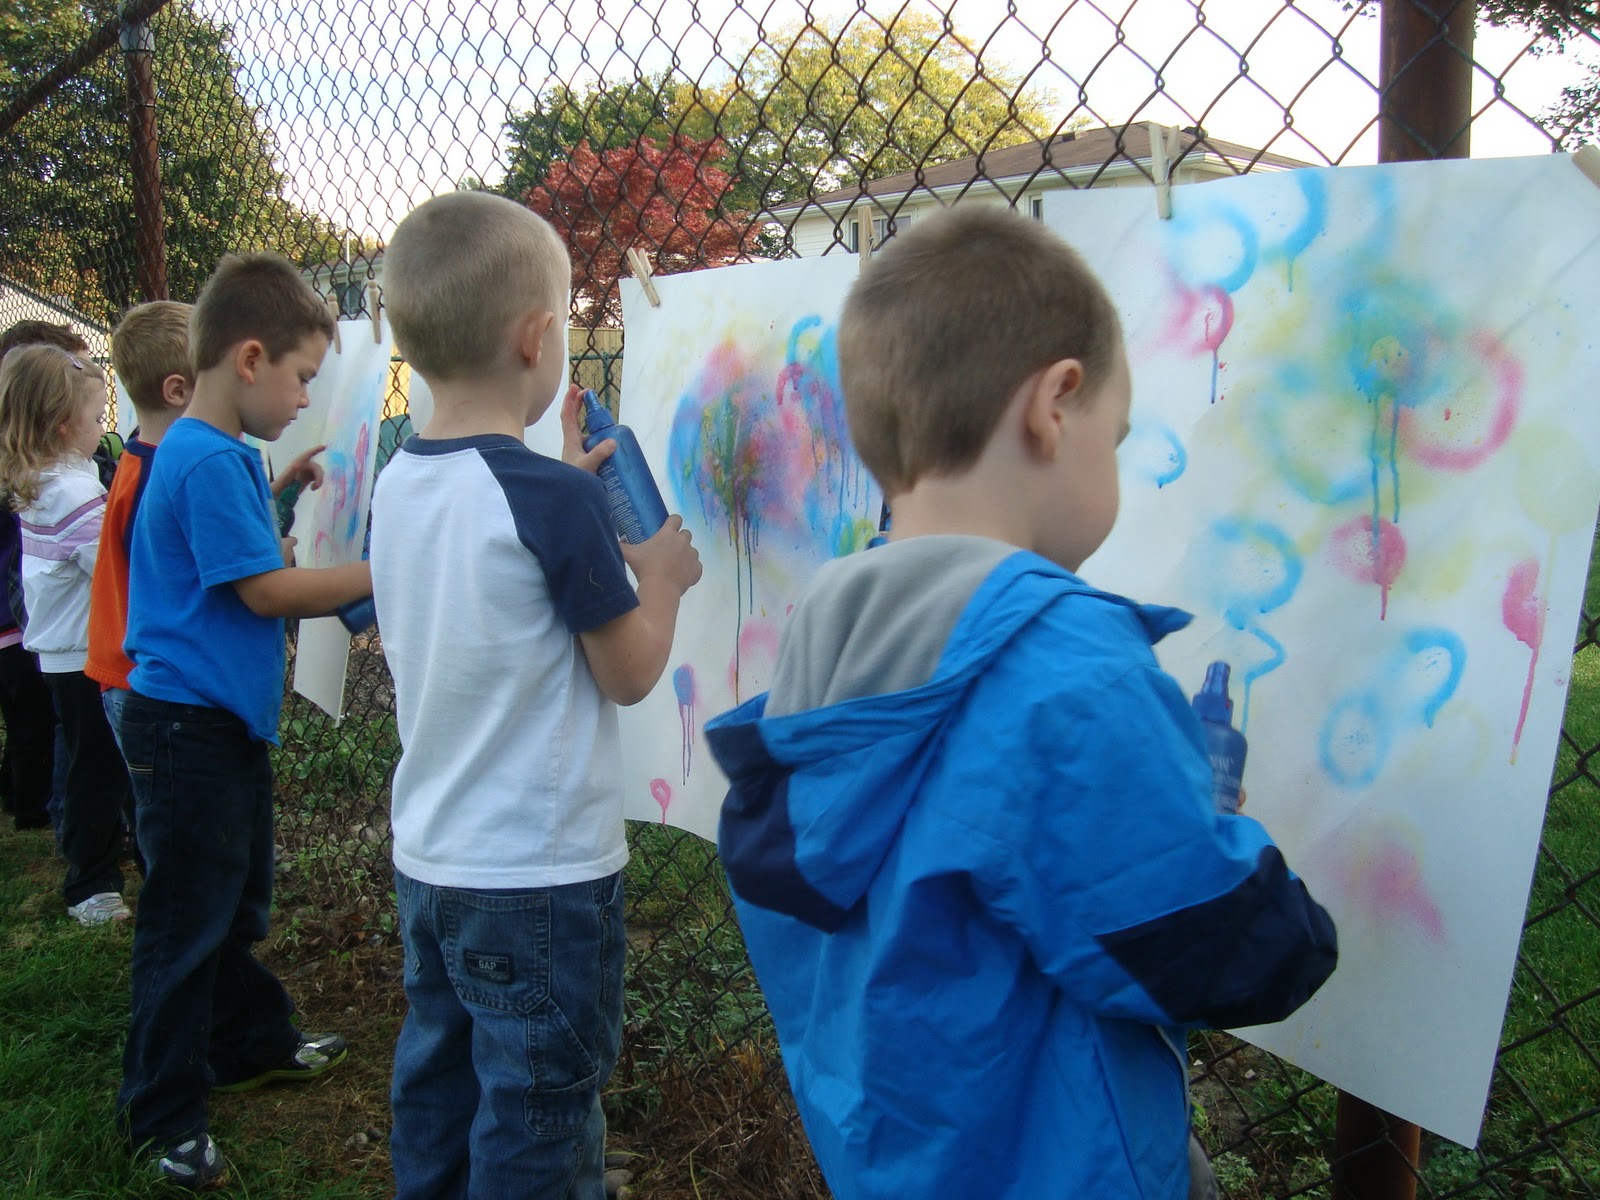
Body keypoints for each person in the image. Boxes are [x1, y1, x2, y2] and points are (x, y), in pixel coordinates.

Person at [704, 206, 1339, 1200]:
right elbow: (1215, 947)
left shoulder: (830, 638)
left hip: (899, 1158)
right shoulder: (1066, 669)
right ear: (1055, 406)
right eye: (1116, 440)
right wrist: (1264, 887)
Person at [371, 190, 702, 1200]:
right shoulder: (552, 501)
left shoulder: (401, 477)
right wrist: (663, 578)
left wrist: (560, 484)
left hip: (432, 859)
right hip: (539, 878)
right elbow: (631, 672)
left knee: (439, 1078)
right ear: (537, 335)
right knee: (538, 1107)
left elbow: (494, 569)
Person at [114, 253, 372, 1189]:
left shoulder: (200, 450)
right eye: (305, 377)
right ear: (252, 359)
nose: (309, 395)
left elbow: (213, 546)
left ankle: (249, 1044)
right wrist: (388, 571)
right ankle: (162, 1112)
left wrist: (276, 493)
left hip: (205, 727)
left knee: (228, 907)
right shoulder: (212, 456)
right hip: (191, 734)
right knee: (188, 924)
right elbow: (263, 590)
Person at [85, 301, 324, 751]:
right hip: (146, 681)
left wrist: (273, 488)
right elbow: (195, 556)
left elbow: (196, 524)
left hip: (137, 672)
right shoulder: (166, 469)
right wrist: (277, 555)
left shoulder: (146, 457)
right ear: (179, 391)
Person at [0, 342, 132, 923]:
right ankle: (90, 883)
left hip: (69, 649)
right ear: (62, 424)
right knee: (98, 767)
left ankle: (101, 862)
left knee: (95, 762)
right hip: (85, 653)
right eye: (97, 417)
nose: (103, 428)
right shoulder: (73, 493)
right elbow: (116, 563)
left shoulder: (50, 480)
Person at [0, 322, 84, 834]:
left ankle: (24, 794)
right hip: (24, 619)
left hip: (26, 617)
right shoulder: (50, 478)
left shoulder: (26, 462)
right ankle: (35, 806)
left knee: (32, 717)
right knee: (35, 717)